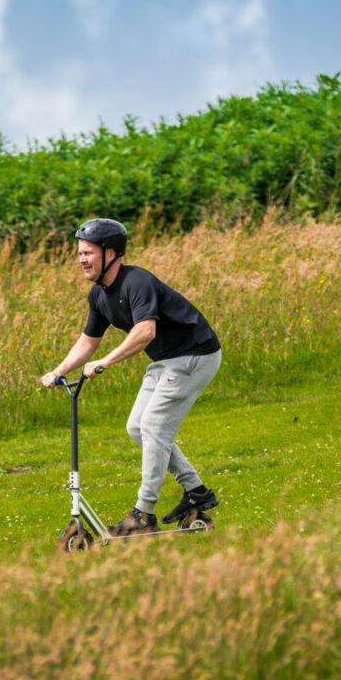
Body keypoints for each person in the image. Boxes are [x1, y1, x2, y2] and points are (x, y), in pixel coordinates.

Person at [40, 218, 222, 535]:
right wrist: (59, 371)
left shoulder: (136, 282)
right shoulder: (98, 295)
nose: (81, 259)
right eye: (80, 253)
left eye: (88, 253)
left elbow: (145, 330)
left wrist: (105, 362)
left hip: (195, 354)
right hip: (166, 360)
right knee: (137, 427)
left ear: (110, 252)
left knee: (153, 425)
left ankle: (143, 515)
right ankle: (196, 492)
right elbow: (88, 341)